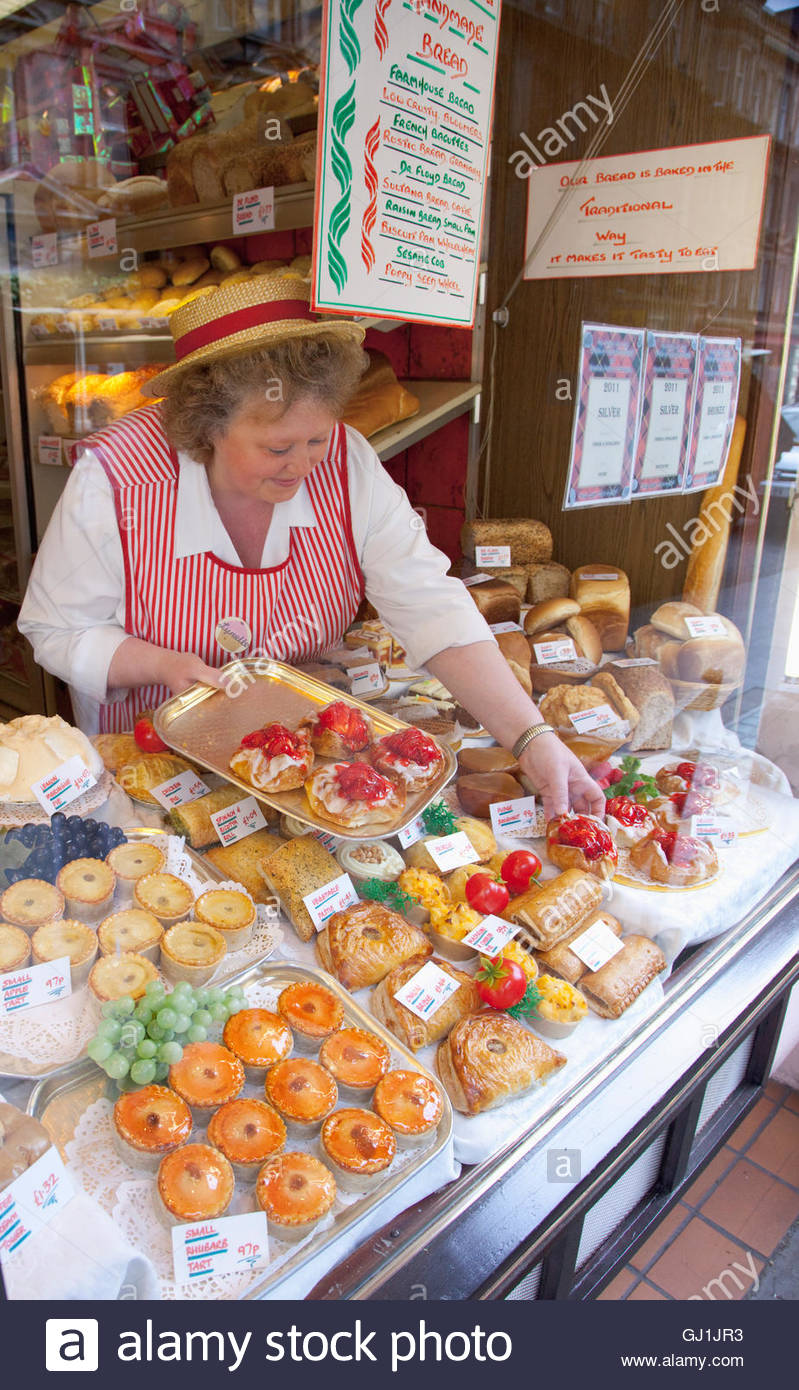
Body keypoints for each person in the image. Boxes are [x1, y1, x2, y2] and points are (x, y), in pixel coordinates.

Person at [19, 275, 603, 818]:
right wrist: (163, 664)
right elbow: (57, 629)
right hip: (153, 767)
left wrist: (531, 738)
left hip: (308, 768)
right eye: (276, 449)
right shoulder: (117, 477)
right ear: (207, 428)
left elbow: (431, 604)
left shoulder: (348, 463)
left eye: (317, 438)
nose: (302, 465)